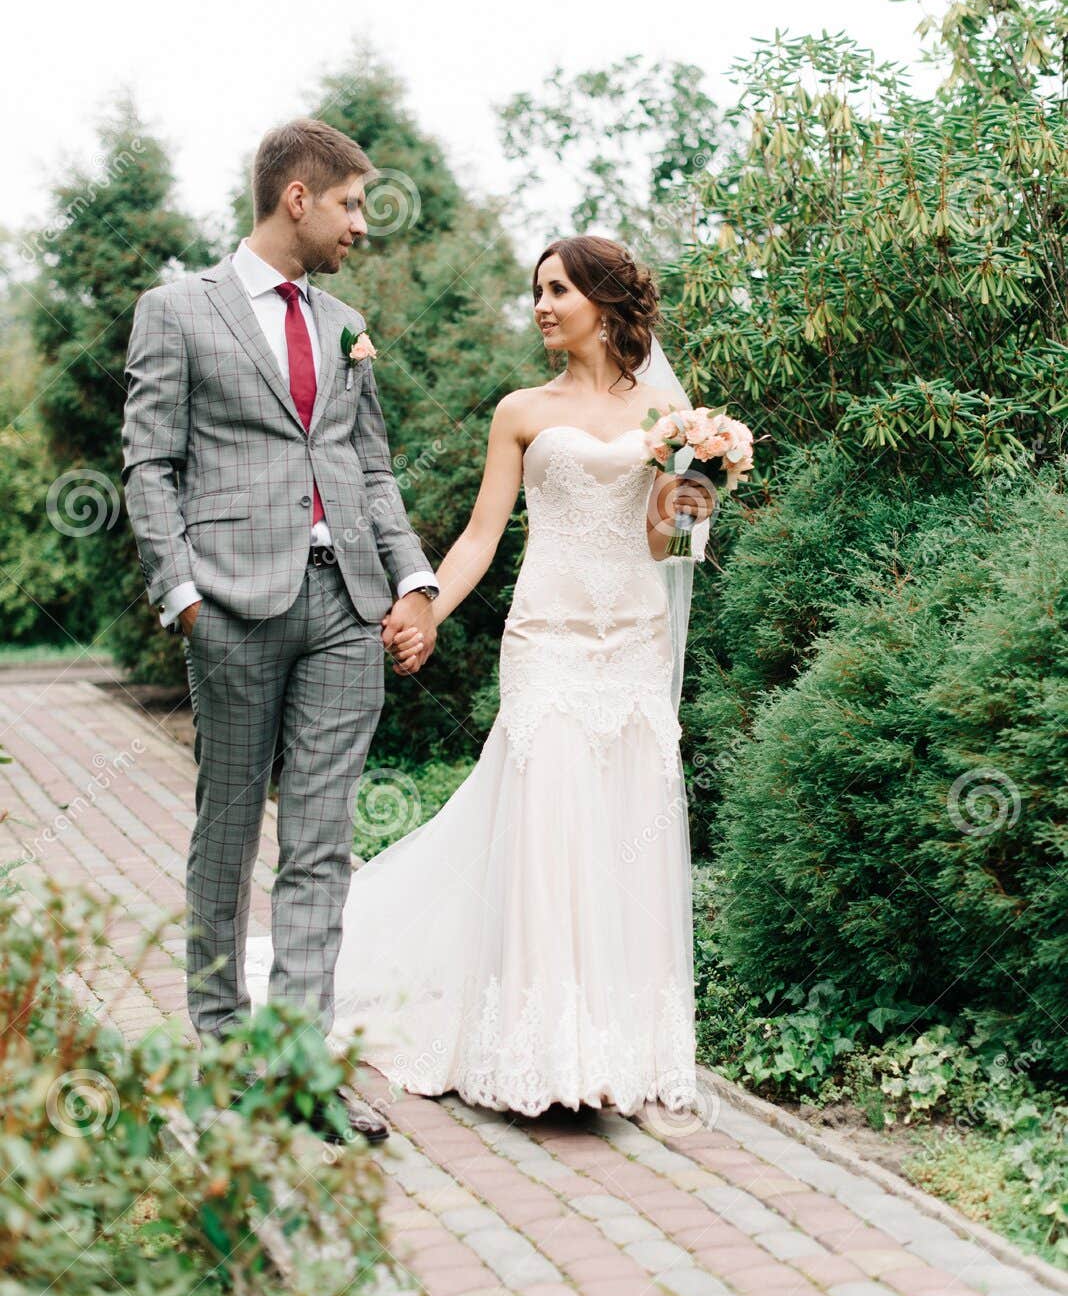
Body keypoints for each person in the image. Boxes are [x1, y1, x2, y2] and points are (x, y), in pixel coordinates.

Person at [247, 234, 713, 1119]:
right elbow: (480, 535)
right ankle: (542, 1054)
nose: (540, 306)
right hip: (546, 637)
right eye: (535, 291)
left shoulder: (667, 418)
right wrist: (424, 607)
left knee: (623, 826)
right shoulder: (520, 411)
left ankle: (613, 1047)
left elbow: (661, 541)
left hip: (632, 639)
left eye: (557, 291)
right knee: (548, 824)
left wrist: (696, 493)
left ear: (607, 303)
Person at [122, 118, 440, 1142]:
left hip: (346, 605)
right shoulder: (178, 309)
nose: (362, 223)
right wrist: (179, 594)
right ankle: (221, 1042)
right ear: (296, 197)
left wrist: (412, 581)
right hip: (231, 605)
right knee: (226, 829)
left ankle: (304, 1069)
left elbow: (370, 466)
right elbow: (147, 466)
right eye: (350, 203)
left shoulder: (346, 320)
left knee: (322, 841)